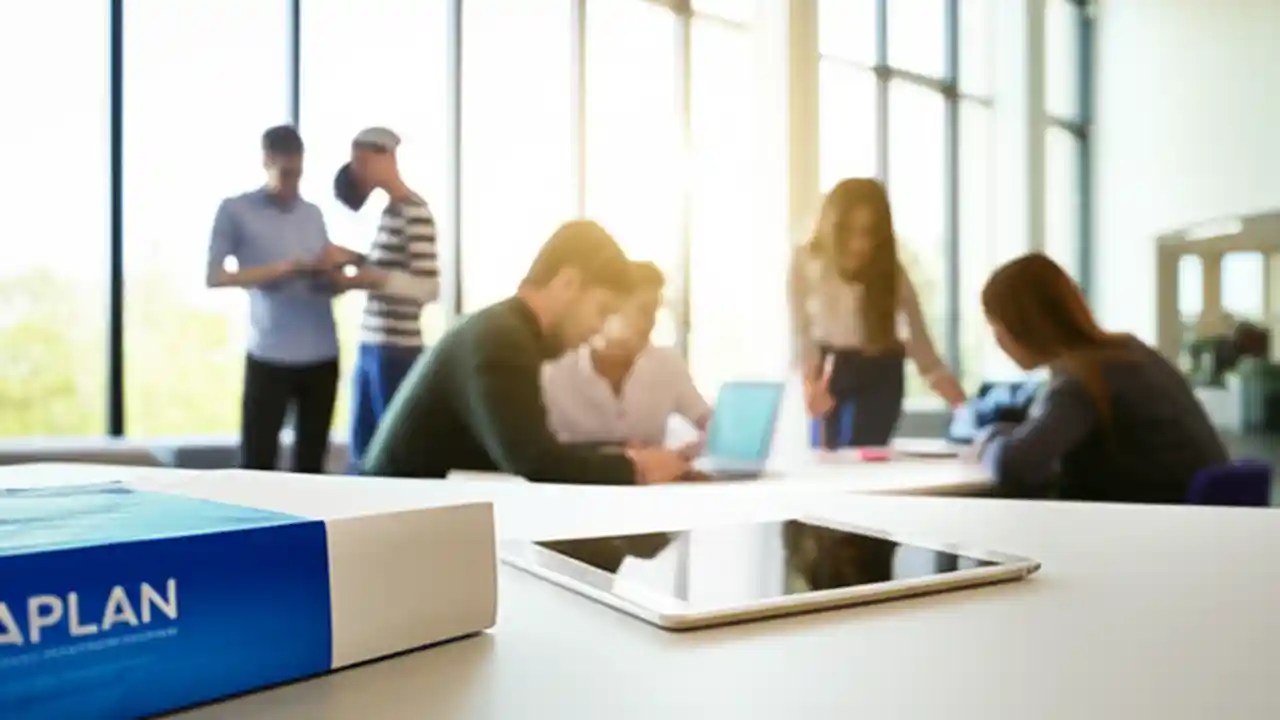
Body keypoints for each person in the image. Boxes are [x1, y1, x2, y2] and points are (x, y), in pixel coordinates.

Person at [362, 220, 691, 485]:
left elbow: (523, 445)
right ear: (567, 283)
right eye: (601, 309)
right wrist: (634, 468)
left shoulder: (504, 329)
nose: (598, 328)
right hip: (397, 534)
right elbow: (535, 461)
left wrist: (618, 454)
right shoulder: (500, 340)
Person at [972, 253, 1227, 503]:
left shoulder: (1081, 379)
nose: (997, 340)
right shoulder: (1131, 353)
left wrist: (986, 441)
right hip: (1194, 520)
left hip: (1149, 527)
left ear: (1021, 325)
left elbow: (1016, 465)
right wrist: (1003, 434)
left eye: (995, 326)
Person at [789, 178, 965, 449]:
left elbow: (921, 344)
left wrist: (960, 404)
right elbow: (802, 334)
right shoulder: (806, 263)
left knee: (863, 453)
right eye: (850, 232)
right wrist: (810, 384)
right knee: (827, 458)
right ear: (831, 227)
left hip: (880, 370)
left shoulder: (891, 272)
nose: (859, 244)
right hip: (829, 369)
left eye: (869, 233)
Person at [206, 125, 340, 473]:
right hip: (270, 355)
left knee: (312, 466)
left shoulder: (313, 214)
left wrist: (332, 273)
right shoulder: (235, 210)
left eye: (298, 173)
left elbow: (326, 280)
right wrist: (281, 269)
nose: (292, 182)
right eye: (285, 173)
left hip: (322, 355)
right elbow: (216, 276)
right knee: (257, 462)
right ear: (266, 161)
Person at [322, 128, 439, 471]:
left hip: (397, 351)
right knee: (362, 452)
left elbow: (427, 287)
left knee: (390, 453)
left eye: (362, 161)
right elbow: (389, 271)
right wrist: (355, 261)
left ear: (385, 155)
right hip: (372, 346)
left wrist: (369, 277)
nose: (357, 171)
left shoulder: (415, 213)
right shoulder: (389, 213)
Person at [542, 261, 710, 454]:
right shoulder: (555, 369)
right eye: (644, 310)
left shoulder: (668, 365)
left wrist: (683, 456)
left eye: (655, 311)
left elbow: (710, 422)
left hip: (650, 482)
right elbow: (533, 449)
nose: (651, 322)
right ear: (611, 307)